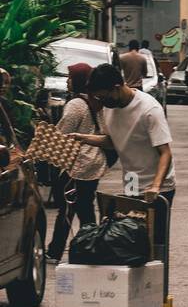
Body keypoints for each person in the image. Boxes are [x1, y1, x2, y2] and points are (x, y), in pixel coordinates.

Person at [71, 63, 175, 206]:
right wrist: (84, 138)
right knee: (129, 226)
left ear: (116, 88)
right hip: (131, 180)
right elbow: (113, 141)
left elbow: (165, 153)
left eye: (103, 97)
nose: (102, 102)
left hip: (158, 185)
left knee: (153, 228)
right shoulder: (109, 108)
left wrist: (156, 187)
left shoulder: (149, 109)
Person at [46, 63, 108, 262]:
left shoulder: (76, 104)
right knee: (85, 207)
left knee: (67, 209)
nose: (67, 80)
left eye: (70, 77)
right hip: (95, 162)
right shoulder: (97, 101)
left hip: (76, 165)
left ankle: (56, 251)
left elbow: (62, 134)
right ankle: (90, 247)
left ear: (79, 80)